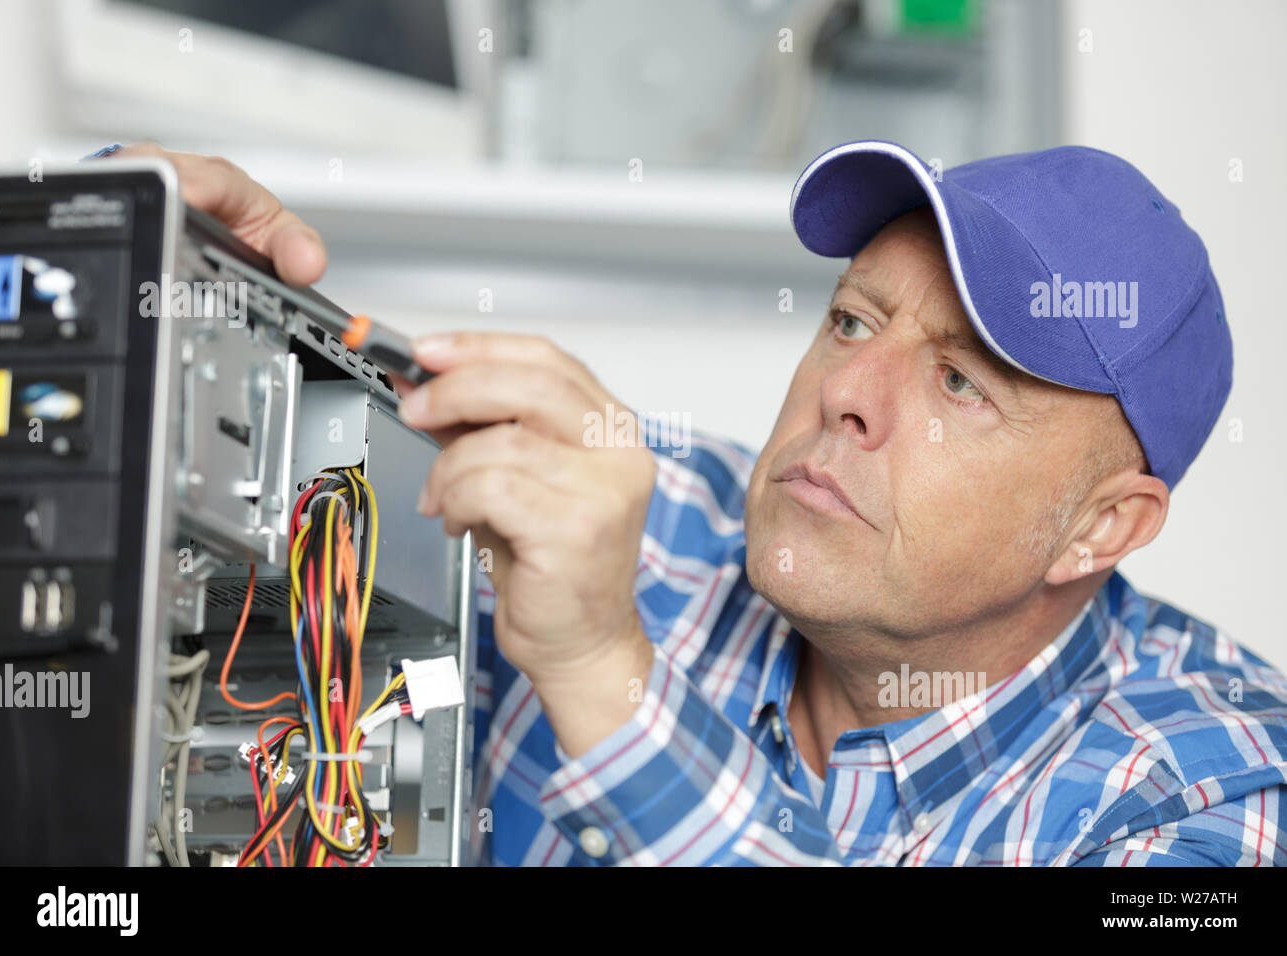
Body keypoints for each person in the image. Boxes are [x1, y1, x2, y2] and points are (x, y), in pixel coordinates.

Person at [107, 139, 1287, 866]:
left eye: (959, 383)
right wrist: (126, 269)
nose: (846, 394)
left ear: (1100, 526)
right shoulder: (625, 514)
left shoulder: (1208, 795)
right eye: (852, 320)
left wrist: (604, 677)